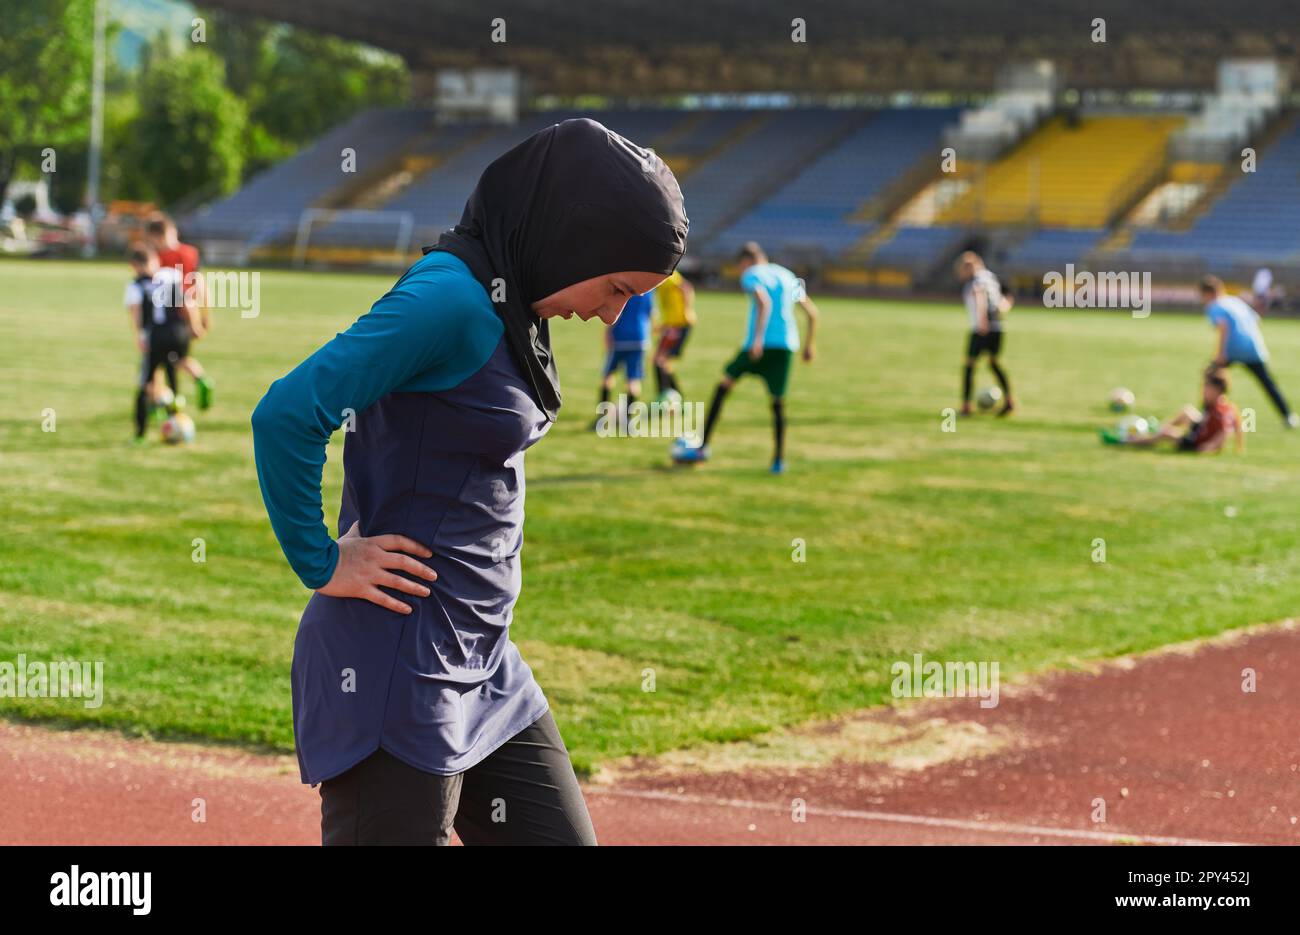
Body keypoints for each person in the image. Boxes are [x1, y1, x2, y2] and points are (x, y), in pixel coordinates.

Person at [251, 118, 687, 846]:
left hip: (483, 663)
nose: (615, 313)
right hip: (396, 669)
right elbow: (289, 412)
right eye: (616, 287)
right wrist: (320, 561)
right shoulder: (452, 299)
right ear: (576, 237)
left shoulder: (515, 301)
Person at [674, 242, 817, 474]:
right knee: (778, 403)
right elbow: (812, 312)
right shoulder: (788, 275)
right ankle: (778, 461)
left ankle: (702, 447)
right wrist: (809, 345)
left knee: (722, 388)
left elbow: (763, 302)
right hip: (785, 346)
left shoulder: (752, 274)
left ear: (745, 262)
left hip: (758, 346)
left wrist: (758, 339)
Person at [1201, 275, 1297, 427]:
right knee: (1267, 383)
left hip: (1232, 350)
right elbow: (1256, 318)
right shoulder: (1235, 301)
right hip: (1253, 347)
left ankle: (1205, 416)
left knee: (1211, 379)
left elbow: (1223, 328)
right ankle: (1288, 416)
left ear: (1207, 294)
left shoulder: (1215, 306)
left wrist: (1220, 354)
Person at [124, 247, 199, 443]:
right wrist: (194, 326)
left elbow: (136, 312)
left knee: (145, 384)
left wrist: (140, 336)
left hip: (156, 338)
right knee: (173, 377)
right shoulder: (172, 275)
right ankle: (177, 422)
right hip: (177, 335)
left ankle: (140, 434)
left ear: (135, 265)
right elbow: (186, 303)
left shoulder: (136, 285)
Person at [145, 213, 214, 409]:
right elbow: (200, 283)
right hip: (189, 314)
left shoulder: (158, 258)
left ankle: (157, 403)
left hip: (169, 316)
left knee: (156, 360)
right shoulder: (191, 252)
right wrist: (205, 313)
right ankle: (200, 379)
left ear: (158, 235)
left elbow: (179, 293)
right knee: (178, 358)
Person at [1104, 367, 1242, 454]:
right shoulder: (1218, 404)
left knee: (1166, 434)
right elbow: (1235, 423)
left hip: (1196, 442)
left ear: (1218, 390)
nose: (1203, 391)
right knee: (1187, 411)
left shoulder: (1221, 411)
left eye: (1207, 388)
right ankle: (1156, 430)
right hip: (1201, 430)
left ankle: (1125, 441)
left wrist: (1209, 447)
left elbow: (1225, 431)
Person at [958, 251, 1014, 416]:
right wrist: (1004, 307)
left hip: (981, 328)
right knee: (994, 363)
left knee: (969, 365)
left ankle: (966, 406)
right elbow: (1008, 295)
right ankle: (1009, 401)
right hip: (998, 327)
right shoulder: (992, 277)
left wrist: (982, 320)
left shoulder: (976, 281)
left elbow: (979, 296)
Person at [593, 288, 653, 428]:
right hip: (640, 337)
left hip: (620, 336)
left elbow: (613, 312)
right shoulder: (649, 287)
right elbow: (650, 312)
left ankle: (602, 419)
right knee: (633, 380)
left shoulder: (623, 285)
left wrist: (607, 332)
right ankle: (627, 421)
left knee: (607, 377)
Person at [652, 268, 695, 401]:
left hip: (678, 325)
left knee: (659, 360)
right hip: (672, 325)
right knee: (662, 362)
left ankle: (666, 397)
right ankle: (673, 396)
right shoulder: (658, 278)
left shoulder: (666, 275)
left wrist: (687, 310)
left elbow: (686, 288)